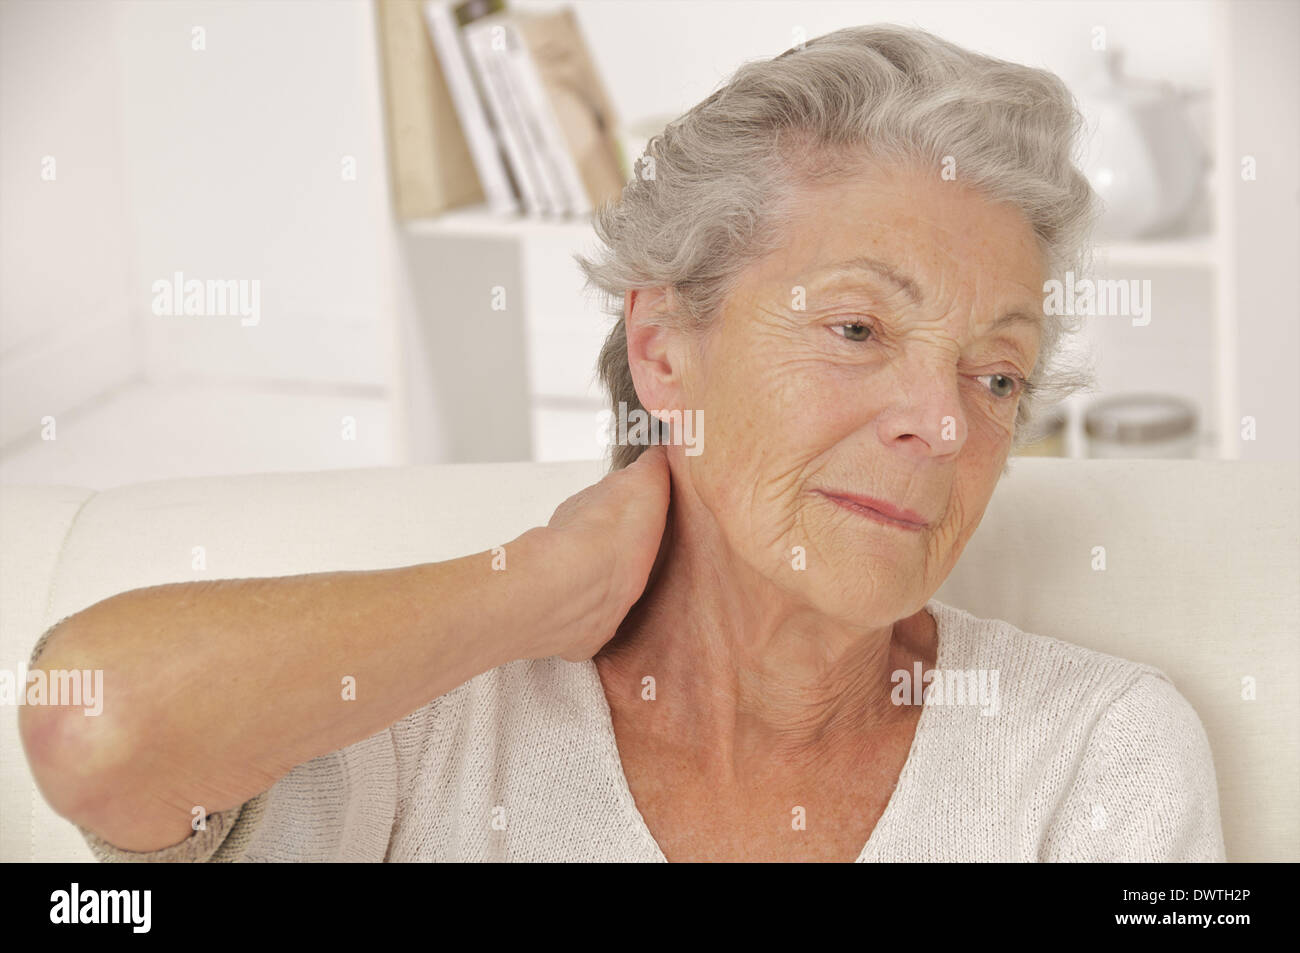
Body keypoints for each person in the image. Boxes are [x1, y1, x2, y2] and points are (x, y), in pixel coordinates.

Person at [21, 24, 1225, 862]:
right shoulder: (426, 722)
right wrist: (536, 589)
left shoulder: (1100, 751)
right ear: (663, 348)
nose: (947, 420)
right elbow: (97, 725)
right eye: (857, 326)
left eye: (997, 372)